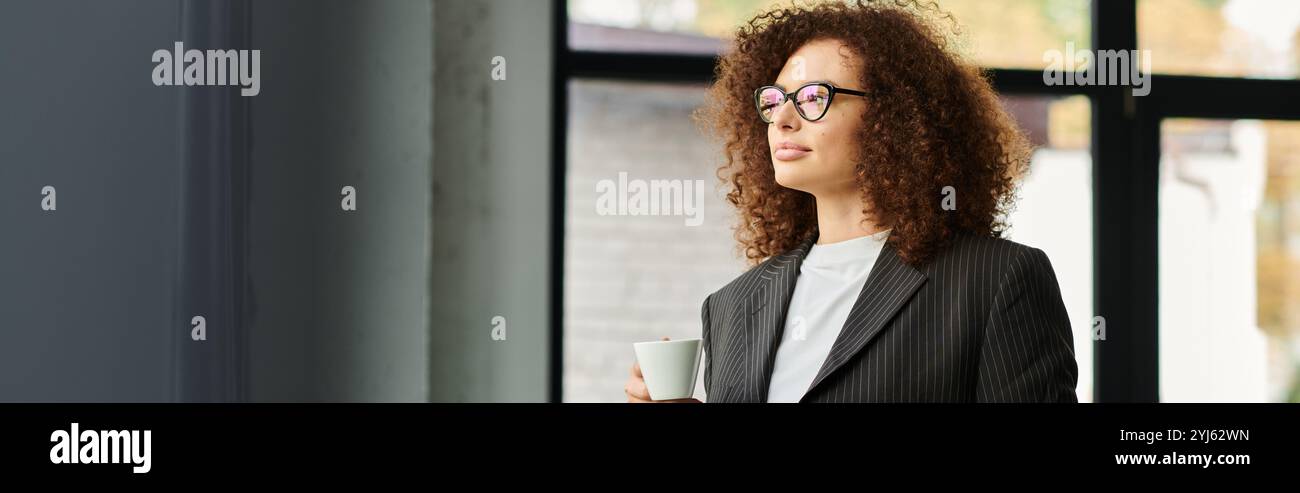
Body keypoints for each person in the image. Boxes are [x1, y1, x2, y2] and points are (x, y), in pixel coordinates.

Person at [625, 0, 1079, 403]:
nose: (782, 118)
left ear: (894, 118)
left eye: (812, 98)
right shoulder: (731, 307)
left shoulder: (994, 281)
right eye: (775, 99)